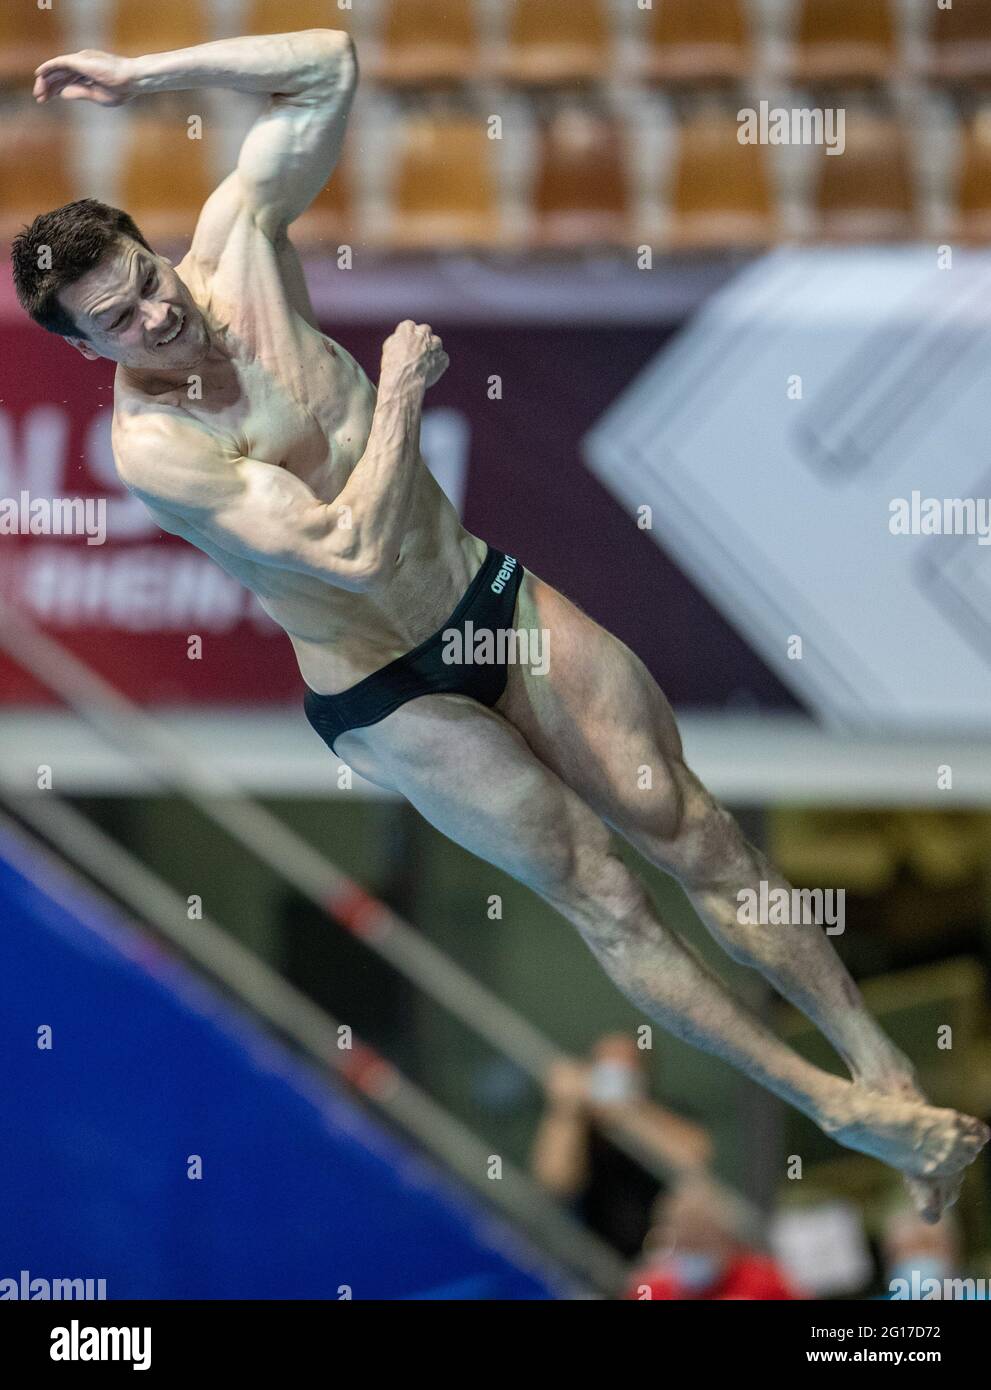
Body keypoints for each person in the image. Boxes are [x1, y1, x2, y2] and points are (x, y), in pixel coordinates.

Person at [11, 27, 988, 1220]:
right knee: (602, 889)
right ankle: (828, 1105)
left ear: (154, 248)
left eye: (146, 281)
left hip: (486, 595)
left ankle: (885, 1075)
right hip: (385, 688)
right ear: (84, 347)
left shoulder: (239, 240)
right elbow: (351, 550)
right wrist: (399, 401)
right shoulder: (157, 448)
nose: (157, 317)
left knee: (691, 829)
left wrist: (140, 77)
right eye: (118, 321)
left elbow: (328, 64)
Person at [531, 1034, 712, 1259]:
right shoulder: (580, 1122)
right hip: (590, 1253)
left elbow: (694, 1156)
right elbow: (555, 1182)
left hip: (661, 1253)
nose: (614, 1073)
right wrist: (566, 1108)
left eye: (626, 1064)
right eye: (606, 1063)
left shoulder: (665, 1112)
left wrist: (625, 1112)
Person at [624, 1176, 802, 1301]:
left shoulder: (766, 1283)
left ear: (725, 1237)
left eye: (699, 1241)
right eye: (684, 1244)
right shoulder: (651, 1290)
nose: (691, 1251)